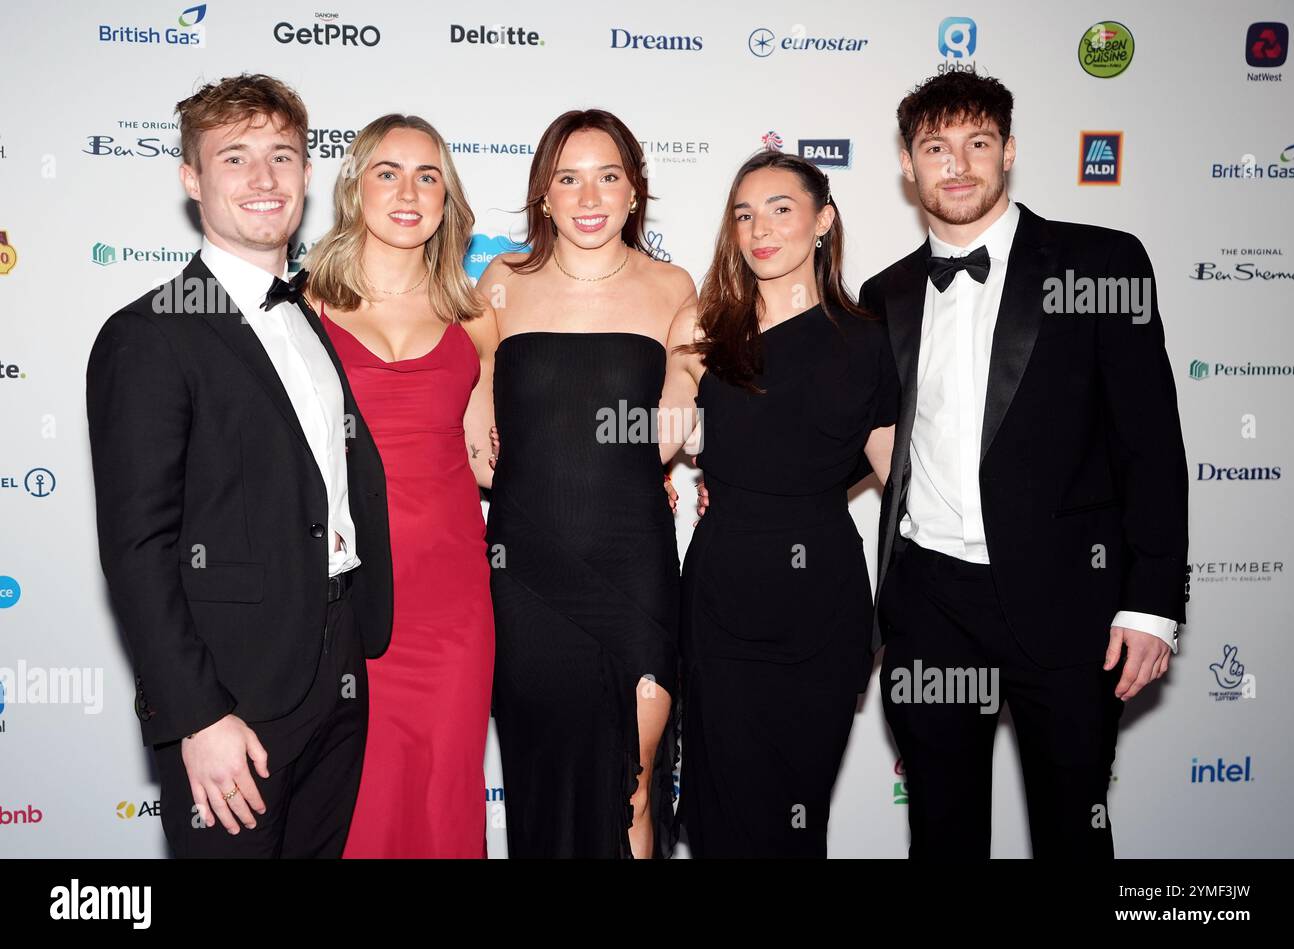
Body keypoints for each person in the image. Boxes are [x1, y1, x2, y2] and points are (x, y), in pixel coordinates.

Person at [862, 71, 1188, 858]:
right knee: (941, 831)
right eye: (936, 148)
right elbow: (856, 433)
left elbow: (1151, 442)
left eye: (978, 143)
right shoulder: (884, 294)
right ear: (909, 165)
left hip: (1072, 604)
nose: (959, 165)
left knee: (1074, 827)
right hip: (932, 604)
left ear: (1008, 151)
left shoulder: (1100, 261)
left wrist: (1151, 603)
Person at [85, 73, 393, 857]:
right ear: (191, 179)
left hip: (336, 678)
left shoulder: (307, 319)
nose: (264, 180)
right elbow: (138, 548)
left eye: (282, 157)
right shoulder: (147, 335)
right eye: (234, 159)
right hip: (231, 703)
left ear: (307, 174)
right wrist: (197, 715)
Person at [659, 150, 897, 857]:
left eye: (780, 209)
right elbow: (674, 398)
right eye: (743, 214)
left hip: (820, 600)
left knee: (797, 813)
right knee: (722, 806)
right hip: (722, 591)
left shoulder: (867, 341)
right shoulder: (708, 321)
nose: (760, 229)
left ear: (823, 220)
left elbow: (901, 480)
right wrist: (677, 372)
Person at [478, 109, 695, 858]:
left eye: (608, 175)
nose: (589, 195)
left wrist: (683, 378)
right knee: (539, 782)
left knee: (629, 788)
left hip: (631, 567)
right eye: (568, 178)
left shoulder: (673, 285)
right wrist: (479, 407)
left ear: (636, 191)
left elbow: (684, 399)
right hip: (524, 573)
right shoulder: (502, 282)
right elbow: (467, 384)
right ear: (544, 195)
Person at [307, 114, 497, 858]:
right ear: (355, 187)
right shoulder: (304, 312)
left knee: (444, 792)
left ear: (447, 201)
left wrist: (628, 466)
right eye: (389, 171)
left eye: (429, 176)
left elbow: (490, 455)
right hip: (349, 597)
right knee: (363, 800)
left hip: (454, 598)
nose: (410, 190)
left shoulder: (474, 315)